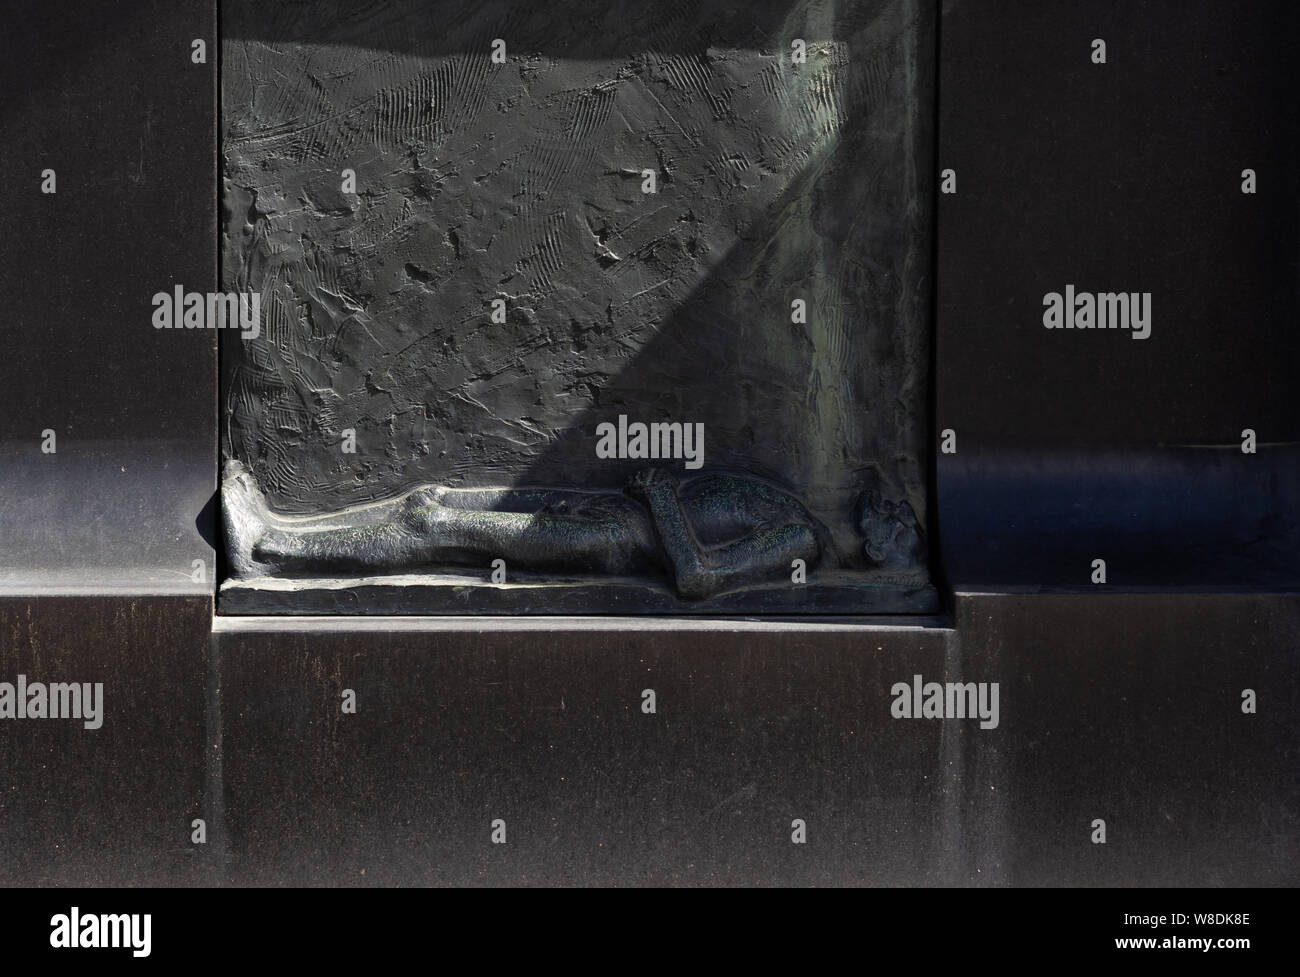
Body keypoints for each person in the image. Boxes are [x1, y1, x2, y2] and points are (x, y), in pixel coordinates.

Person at [223, 461, 827, 600]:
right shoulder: (782, 509)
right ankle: (282, 538)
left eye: (900, 521)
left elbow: (699, 578)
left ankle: (272, 554)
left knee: (435, 528)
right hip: (600, 513)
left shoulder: (799, 539)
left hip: (607, 543)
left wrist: (664, 497)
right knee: (427, 502)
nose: (895, 512)